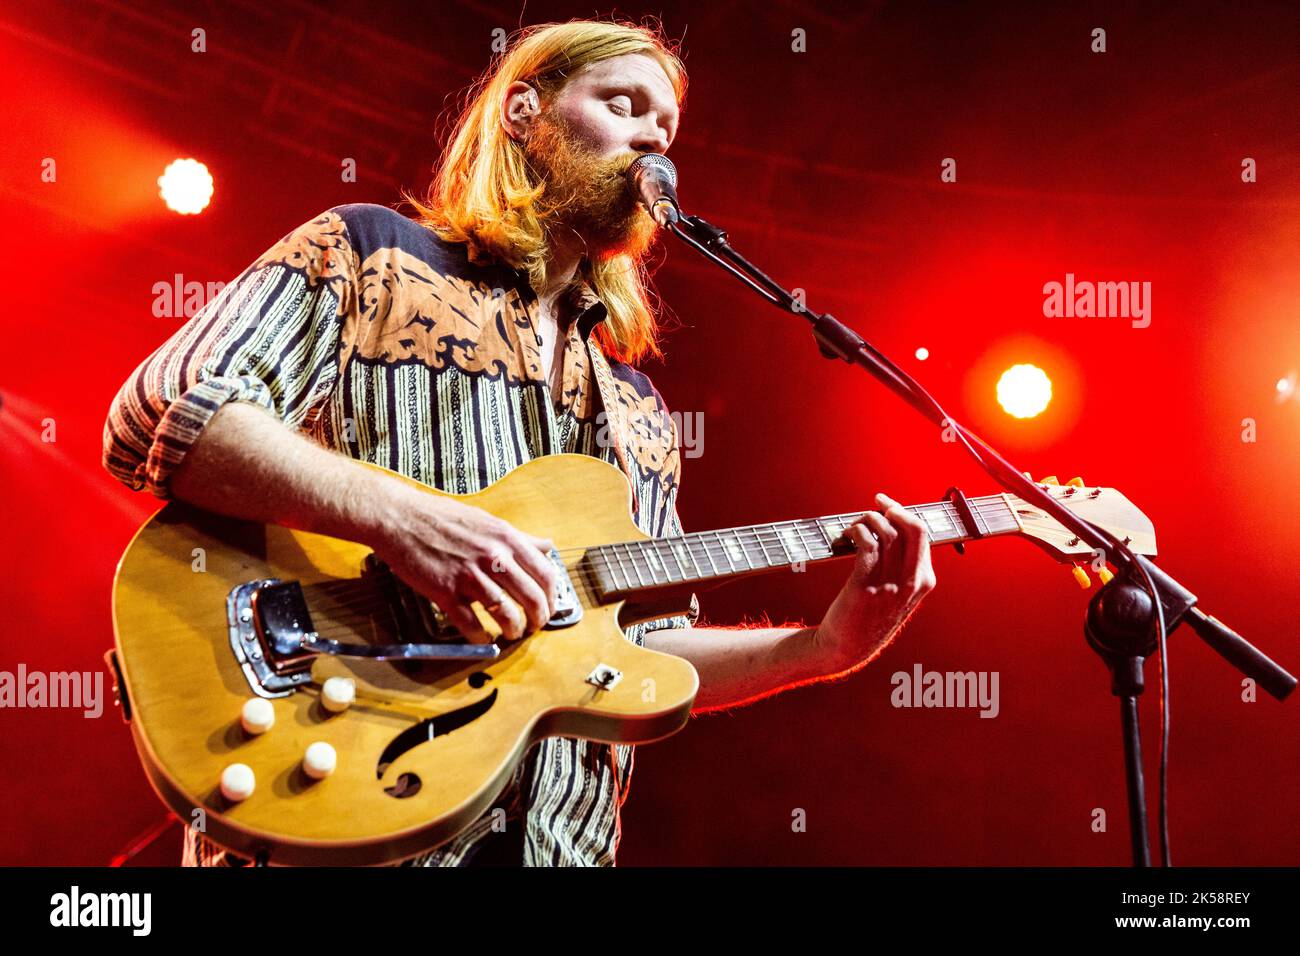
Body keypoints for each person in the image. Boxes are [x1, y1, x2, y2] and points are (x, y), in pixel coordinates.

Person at [101, 18, 936, 867]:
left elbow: (633, 653)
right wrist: (406, 520)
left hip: (557, 846)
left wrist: (822, 648)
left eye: (667, 127)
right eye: (623, 103)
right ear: (522, 113)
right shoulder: (369, 255)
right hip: (340, 799)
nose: (653, 135)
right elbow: (160, 413)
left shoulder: (638, 409)